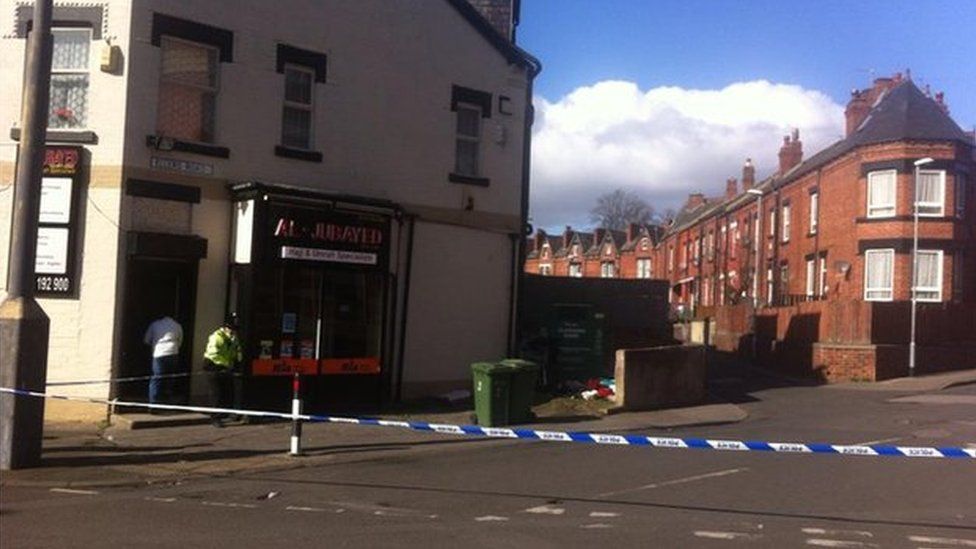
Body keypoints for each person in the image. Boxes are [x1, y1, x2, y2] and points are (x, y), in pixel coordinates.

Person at [204, 315, 243, 427]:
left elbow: (237, 350)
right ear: (226, 327)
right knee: (216, 394)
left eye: (235, 329)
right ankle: (214, 418)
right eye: (232, 329)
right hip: (213, 367)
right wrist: (226, 364)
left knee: (227, 392)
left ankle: (224, 414)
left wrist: (238, 361)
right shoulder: (216, 337)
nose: (233, 331)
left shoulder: (234, 337)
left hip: (226, 368)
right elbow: (213, 354)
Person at [143, 315, 183, 407]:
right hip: (173, 352)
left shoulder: (154, 324)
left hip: (159, 353)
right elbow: (180, 341)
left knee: (157, 378)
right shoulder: (177, 325)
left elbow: (146, 340)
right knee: (170, 377)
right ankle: (167, 399)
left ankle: (153, 402)